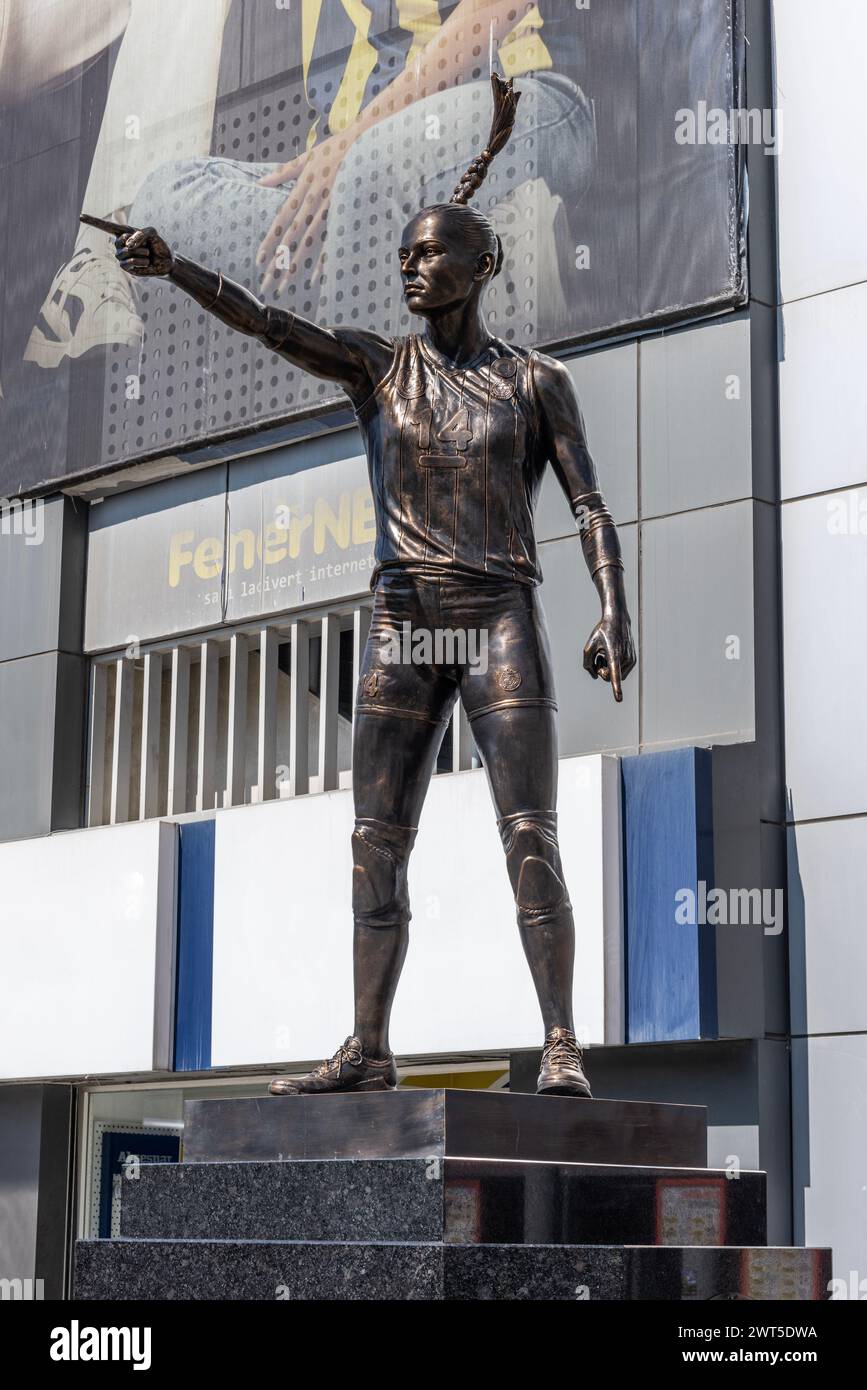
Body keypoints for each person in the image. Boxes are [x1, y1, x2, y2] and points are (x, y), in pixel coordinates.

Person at [110, 75, 635, 1099]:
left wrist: (615, 608)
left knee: (529, 831)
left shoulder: (537, 382)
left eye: (430, 251)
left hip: (493, 619)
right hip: (403, 617)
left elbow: (591, 506)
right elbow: (267, 321)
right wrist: (173, 270)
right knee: (374, 846)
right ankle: (367, 1043)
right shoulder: (374, 369)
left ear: (481, 264)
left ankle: (562, 1040)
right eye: (404, 253)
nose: (410, 265)